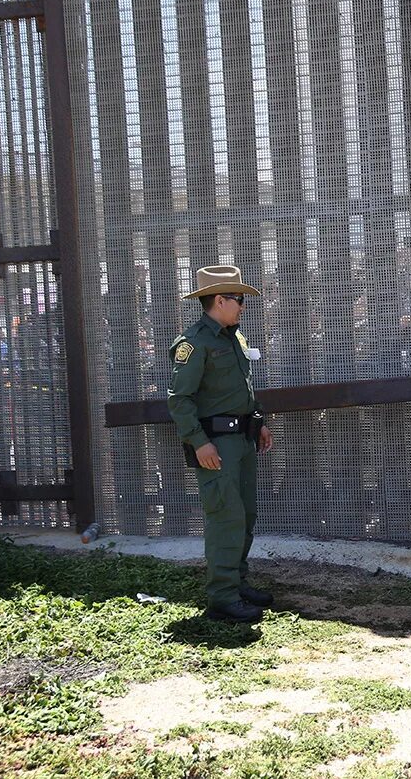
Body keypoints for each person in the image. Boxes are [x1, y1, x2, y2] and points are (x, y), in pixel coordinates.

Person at [168, 265, 274, 623]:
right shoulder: (194, 343)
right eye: (239, 300)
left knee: (244, 515)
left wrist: (258, 422)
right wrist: (199, 443)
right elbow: (180, 400)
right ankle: (222, 597)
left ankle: (237, 583)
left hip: (242, 440)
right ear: (219, 300)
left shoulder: (233, 337)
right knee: (225, 517)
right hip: (217, 445)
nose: (243, 307)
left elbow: (242, 387)